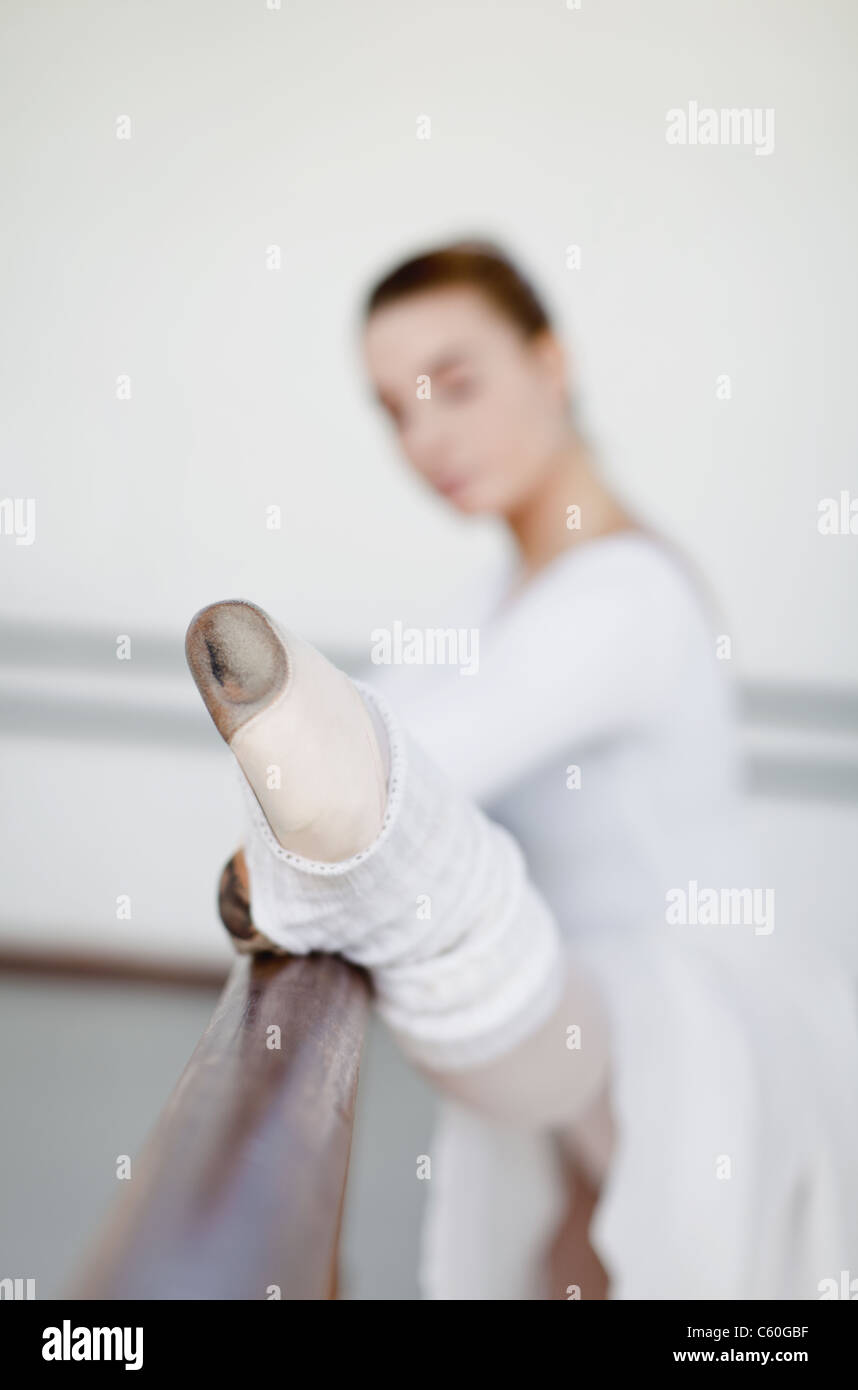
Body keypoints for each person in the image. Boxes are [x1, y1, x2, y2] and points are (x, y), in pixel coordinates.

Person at [200, 242, 858, 1300]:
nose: (425, 437)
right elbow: (331, 755)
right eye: (393, 410)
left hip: (695, 1033)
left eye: (452, 386)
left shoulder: (623, 595)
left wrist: (271, 860)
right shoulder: (496, 600)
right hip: (581, 1025)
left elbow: (385, 779)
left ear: (551, 363)